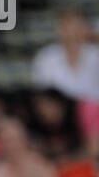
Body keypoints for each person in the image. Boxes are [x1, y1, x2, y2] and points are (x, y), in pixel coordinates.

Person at [32, 9, 99, 154]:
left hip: (93, 118)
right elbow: (43, 95)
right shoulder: (46, 57)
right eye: (67, 27)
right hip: (60, 117)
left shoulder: (95, 55)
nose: (72, 32)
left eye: (77, 26)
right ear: (59, 30)